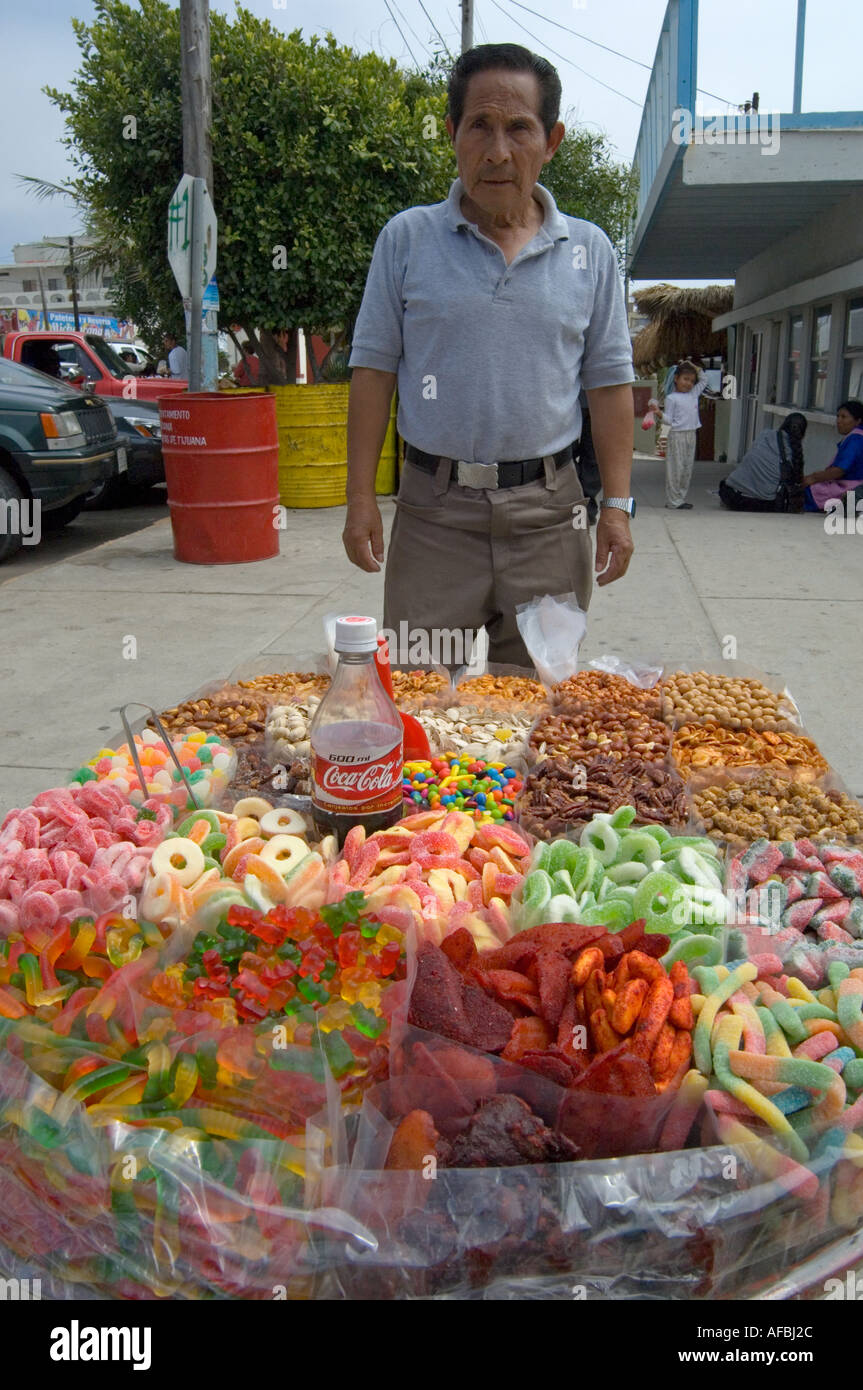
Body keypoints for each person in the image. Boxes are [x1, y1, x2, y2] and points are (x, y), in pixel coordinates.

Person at [343, 43, 635, 668]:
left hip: (551, 518)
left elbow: (610, 386)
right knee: (422, 696)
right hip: (433, 517)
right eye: (479, 126)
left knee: (539, 701)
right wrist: (359, 497)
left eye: (519, 128)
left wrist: (616, 506)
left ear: (551, 141)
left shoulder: (589, 252)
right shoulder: (407, 240)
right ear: (453, 133)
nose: (498, 151)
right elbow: (373, 374)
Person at [719, 413, 807, 512]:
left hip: (734, 498)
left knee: (725, 483)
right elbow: (794, 484)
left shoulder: (765, 434)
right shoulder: (793, 454)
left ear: (784, 424)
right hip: (763, 504)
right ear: (803, 434)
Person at [662, 360, 711, 509]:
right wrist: (658, 413)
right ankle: (673, 500)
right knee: (675, 469)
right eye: (685, 379)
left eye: (691, 381)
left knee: (686, 469)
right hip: (677, 436)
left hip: (691, 435)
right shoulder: (671, 398)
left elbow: (705, 380)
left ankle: (680, 498)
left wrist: (694, 366)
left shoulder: (693, 394)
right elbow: (668, 420)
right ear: (676, 379)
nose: (688, 383)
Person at [800, 400, 863, 511]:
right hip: (851, 485)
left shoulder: (855, 439)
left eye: (844, 417)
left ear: (858, 421)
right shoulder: (855, 436)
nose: (839, 421)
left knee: (806, 491)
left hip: (850, 487)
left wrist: (813, 478)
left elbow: (839, 470)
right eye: (838, 416)